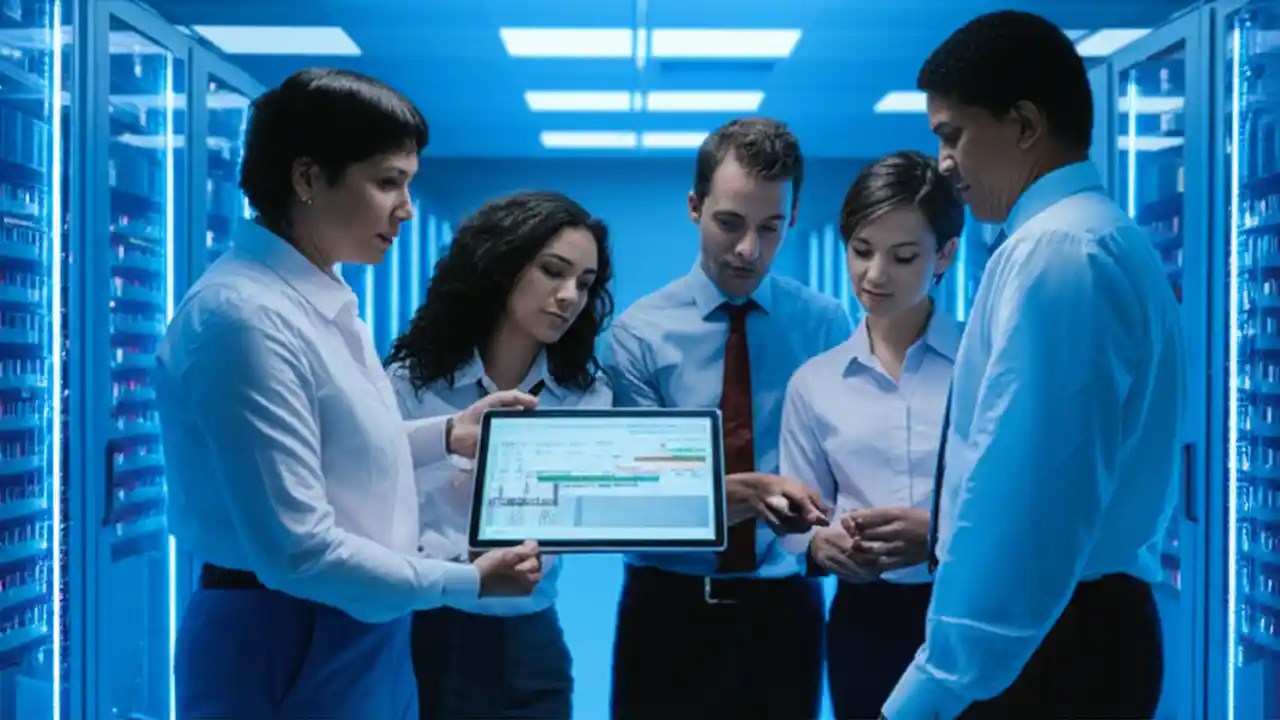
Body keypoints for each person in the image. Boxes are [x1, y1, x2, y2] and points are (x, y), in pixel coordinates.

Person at [155, 68, 545, 720]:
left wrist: (447, 435)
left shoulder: (318, 294)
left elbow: (329, 446)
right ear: (307, 178)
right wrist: (469, 583)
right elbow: (299, 551)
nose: (407, 207)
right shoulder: (243, 318)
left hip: (356, 623)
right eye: (388, 181)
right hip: (286, 632)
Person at [882, 11, 1185, 719]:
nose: (944, 163)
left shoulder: (1057, 255)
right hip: (1072, 631)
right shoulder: (1104, 237)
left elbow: (1022, 505)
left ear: (1022, 124)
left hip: (1047, 648)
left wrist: (929, 691)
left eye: (952, 134)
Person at [604, 116, 850, 720]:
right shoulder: (639, 333)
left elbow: (843, 468)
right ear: (694, 206)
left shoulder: (824, 325)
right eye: (730, 224)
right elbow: (633, 498)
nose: (748, 250)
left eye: (770, 228)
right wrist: (735, 495)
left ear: (792, 219)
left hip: (784, 609)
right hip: (666, 609)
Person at [384, 190, 614, 719]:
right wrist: (463, 566)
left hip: (532, 634)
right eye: (552, 271)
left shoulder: (586, 395)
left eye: (584, 283)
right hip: (431, 625)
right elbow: (376, 508)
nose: (568, 296)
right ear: (501, 265)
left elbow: (574, 521)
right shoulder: (410, 384)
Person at [778, 150, 964, 719]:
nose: (874, 275)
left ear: (944, 255)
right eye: (861, 251)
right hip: (864, 622)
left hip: (967, 612)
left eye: (903, 256)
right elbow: (796, 516)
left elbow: (1026, 503)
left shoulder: (985, 367)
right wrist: (818, 545)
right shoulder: (814, 384)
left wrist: (940, 537)